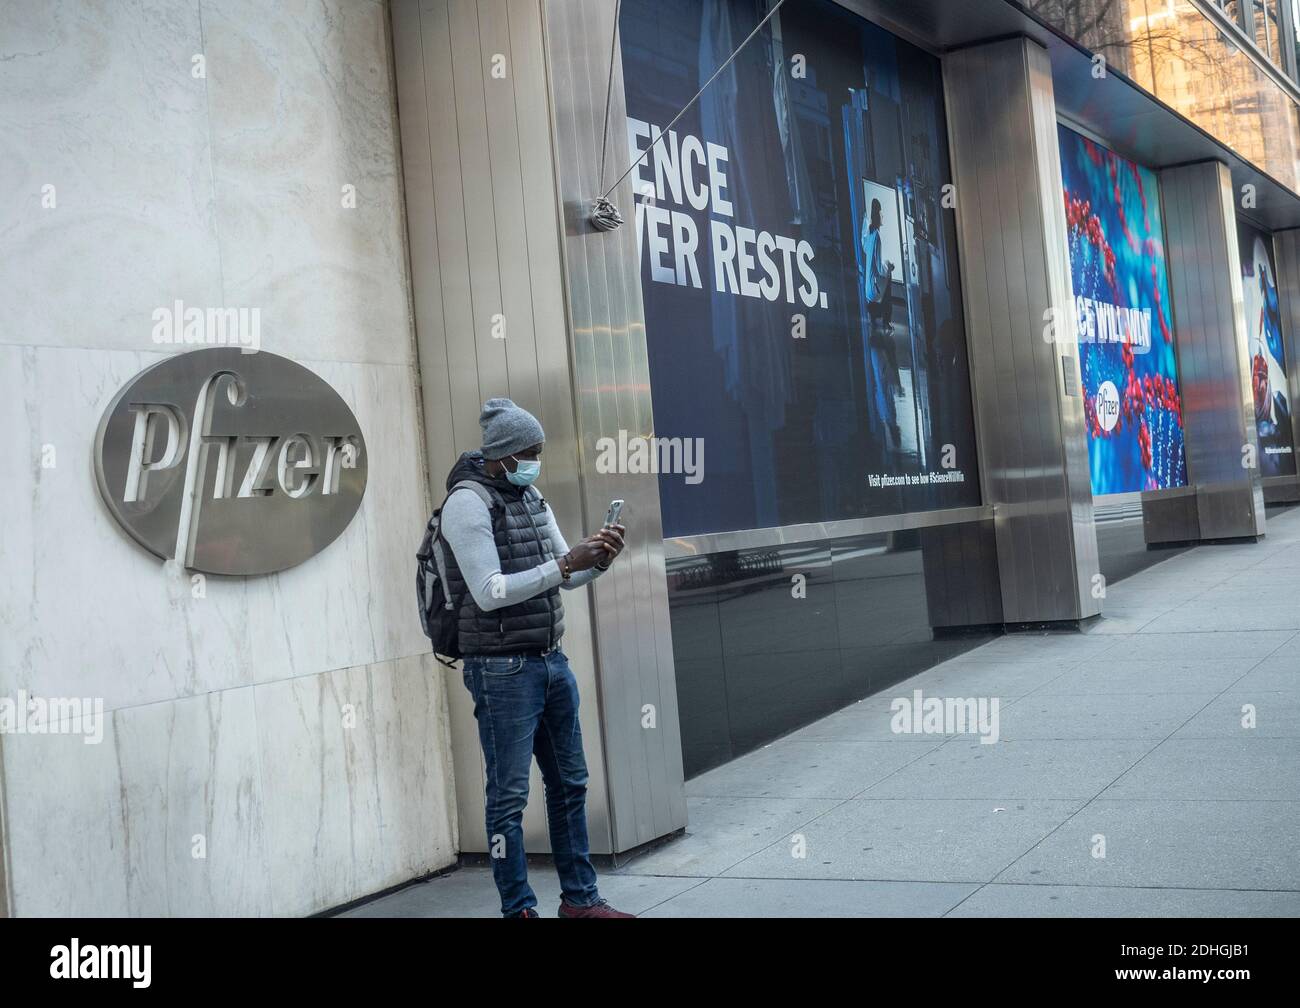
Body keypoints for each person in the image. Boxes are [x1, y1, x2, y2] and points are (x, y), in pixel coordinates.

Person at [439, 397, 634, 919]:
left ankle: (580, 901)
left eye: (539, 451)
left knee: (570, 784)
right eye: (530, 451)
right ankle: (519, 909)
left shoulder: (529, 495)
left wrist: (599, 559)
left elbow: (564, 574)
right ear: (502, 454)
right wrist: (566, 561)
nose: (536, 460)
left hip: (551, 660)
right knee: (508, 800)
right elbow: (488, 590)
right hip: (501, 671)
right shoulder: (467, 504)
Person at [861, 197, 902, 450]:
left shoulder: (869, 235)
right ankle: (884, 322)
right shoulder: (876, 236)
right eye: (883, 214)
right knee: (888, 284)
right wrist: (888, 270)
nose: (884, 218)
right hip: (874, 286)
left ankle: (880, 321)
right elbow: (876, 264)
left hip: (868, 287)